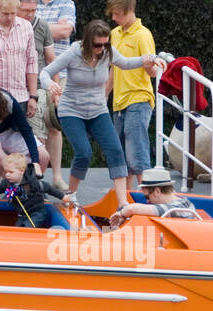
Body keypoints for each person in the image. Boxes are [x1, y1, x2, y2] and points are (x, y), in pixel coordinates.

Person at [40, 19, 165, 207]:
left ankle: (122, 202)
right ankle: (71, 195)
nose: (102, 48)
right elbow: (45, 73)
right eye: (98, 45)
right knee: (84, 152)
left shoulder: (108, 52)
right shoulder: (74, 52)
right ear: (88, 41)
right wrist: (50, 85)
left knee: (116, 150)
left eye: (106, 43)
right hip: (71, 110)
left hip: (98, 110)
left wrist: (150, 58)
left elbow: (127, 63)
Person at [107, 0, 157, 189]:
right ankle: (125, 202)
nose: (113, 18)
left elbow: (153, 71)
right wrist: (103, 98)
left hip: (138, 99)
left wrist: (151, 67)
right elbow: (112, 71)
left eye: (117, 14)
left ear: (129, 10)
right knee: (120, 156)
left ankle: (147, 197)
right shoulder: (114, 34)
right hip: (119, 102)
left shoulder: (143, 35)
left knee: (136, 153)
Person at [35, 0, 77, 190]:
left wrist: (34, 25)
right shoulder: (27, 1)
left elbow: (65, 30)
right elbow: (19, 25)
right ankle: (35, 174)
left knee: (53, 124)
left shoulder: (67, 4)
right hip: (30, 71)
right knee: (31, 122)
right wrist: (53, 27)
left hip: (58, 73)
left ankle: (57, 176)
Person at [0, 153, 75, 228]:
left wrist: (63, 197)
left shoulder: (32, 183)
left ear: (21, 171)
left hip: (37, 212)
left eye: (11, 172)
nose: (7, 175)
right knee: (17, 229)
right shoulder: (7, 184)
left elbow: (48, 188)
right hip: (21, 213)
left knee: (28, 228)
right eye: (6, 172)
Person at [17, 0, 58, 174]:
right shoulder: (9, 26)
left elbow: (52, 60)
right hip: (14, 87)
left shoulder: (41, 26)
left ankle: (35, 180)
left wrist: (55, 88)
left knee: (37, 133)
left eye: (33, 10)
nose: (30, 14)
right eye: (26, 10)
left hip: (39, 87)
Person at [110, 167, 198, 228]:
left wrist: (121, 213)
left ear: (157, 191)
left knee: (110, 231)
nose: (148, 201)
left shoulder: (173, 209)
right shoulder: (185, 202)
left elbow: (132, 208)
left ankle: (105, 231)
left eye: (147, 196)